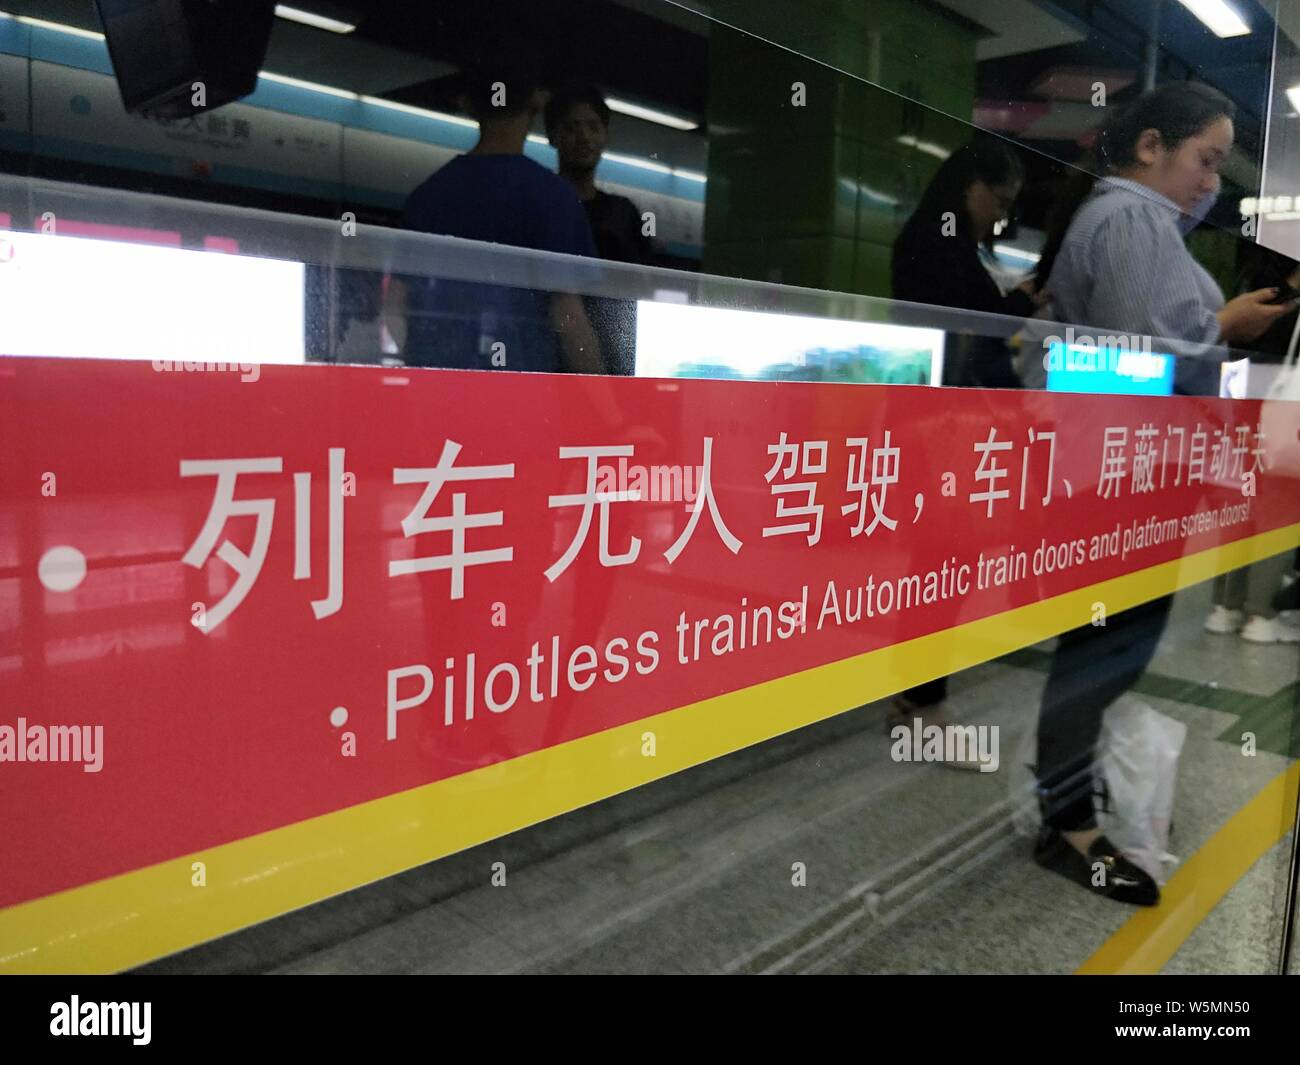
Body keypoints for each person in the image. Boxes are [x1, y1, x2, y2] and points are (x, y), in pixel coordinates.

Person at [1028, 82, 1290, 907]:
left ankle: (1067, 788)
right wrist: (1227, 327)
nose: (1213, 182)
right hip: (1117, 472)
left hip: (1124, 465)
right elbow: (1142, 353)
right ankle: (1066, 822)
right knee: (1105, 644)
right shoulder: (1133, 217)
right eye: (1206, 160)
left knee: (1110, 643)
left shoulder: (1129, 221)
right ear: (1151, 147)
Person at [888, 137, 1048, 742]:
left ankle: (919, 698)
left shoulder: (942, 243)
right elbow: (966, 326)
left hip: (940, 425)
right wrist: (1017, 302)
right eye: (998, 199)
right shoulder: (935, 244)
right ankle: (921, 705)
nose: (1000, 215)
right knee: (938, 564)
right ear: (968, 186)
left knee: (939, 565)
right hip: (937, 428)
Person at [397, 52, 603, 375]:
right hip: (521, 397)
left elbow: (396, 305)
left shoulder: (427, 197)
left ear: (468, 104)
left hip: (436, 394)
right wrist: (612, 412)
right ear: (536, 102)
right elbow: (568, 315)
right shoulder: (554, 198)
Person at [545, 81, 652, 375]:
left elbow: (642, 288)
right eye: (572, 127)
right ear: (553, 136)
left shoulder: (623, 213)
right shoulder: (542, 206)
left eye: (593, 127)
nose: (584, 137)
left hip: (617, 354)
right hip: (552, 359)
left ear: (605, 136)